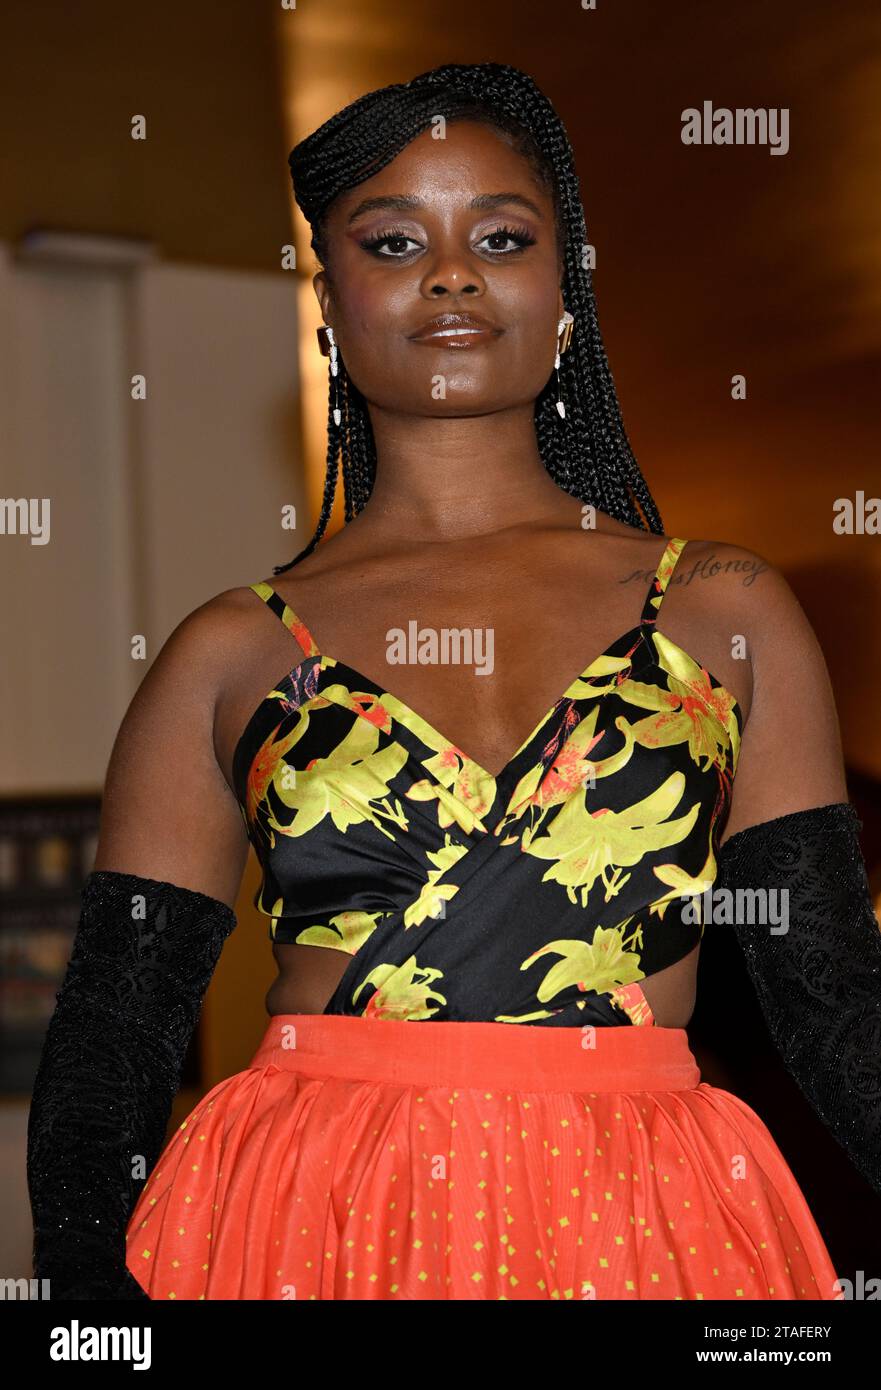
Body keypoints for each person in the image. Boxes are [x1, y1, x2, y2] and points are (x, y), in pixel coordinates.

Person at [27, 62, 881, 1302]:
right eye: (391, 240)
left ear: (563, 291)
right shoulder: (229, 651)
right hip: (300, 1213)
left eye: (499, 235)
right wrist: (83, 1318)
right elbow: (114, 1038)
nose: (449, 271)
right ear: (329, 302)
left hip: (646, 1213)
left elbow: (834, 1005)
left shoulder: (722, 608)